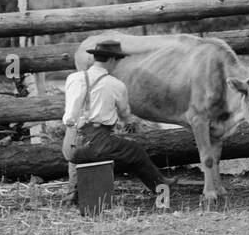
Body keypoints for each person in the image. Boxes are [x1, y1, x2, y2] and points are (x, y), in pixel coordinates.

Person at [61, 40, 171, 203]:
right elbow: (125, 115)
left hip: (69, 140)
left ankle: (72, 196)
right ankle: (162, 189)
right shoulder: (115, 84)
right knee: (134, 151)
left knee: (77, 152)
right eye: (118, 61)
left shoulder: (73, 78)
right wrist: (126, 119)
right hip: (97, 141)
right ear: (112, 60)